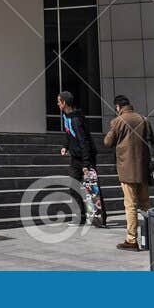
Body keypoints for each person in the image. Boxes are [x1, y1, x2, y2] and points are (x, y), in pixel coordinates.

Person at [102, 93, 154, 251]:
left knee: (130, 205)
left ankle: (132, 240)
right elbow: (152, 139)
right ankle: (150, 237)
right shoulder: (143, 119)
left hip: (127, 170)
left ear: (118, 107)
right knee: (145, 203)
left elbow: (107, 142)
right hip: (144, 169)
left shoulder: (118, 121)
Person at [57, 91, 99, 225]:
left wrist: (86, 164)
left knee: (92, 189)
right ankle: (79, 217)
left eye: (59, 101)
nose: (57, 104)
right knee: (73, 187)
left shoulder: (76, 119)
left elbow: (84, 141)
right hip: (76, 157)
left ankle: (98, 218)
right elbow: (69, 134)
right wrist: (66, 146)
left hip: (85, 158)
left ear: (64, 103)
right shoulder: (67, 116)